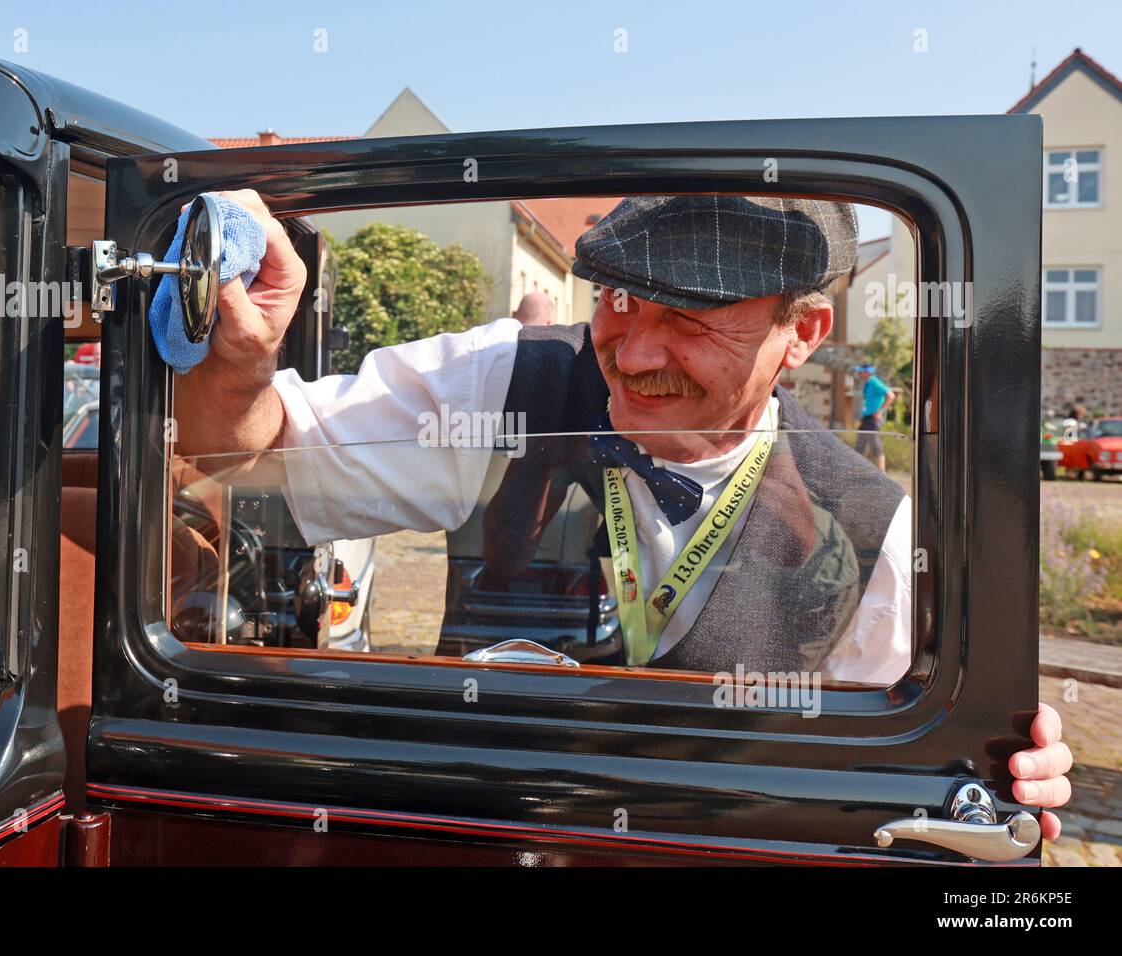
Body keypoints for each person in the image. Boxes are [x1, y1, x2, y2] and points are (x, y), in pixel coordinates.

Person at [173, 189, 1073, 840]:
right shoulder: (505, 377)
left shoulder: (878, 535)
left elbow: (897, 803)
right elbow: (245, 457)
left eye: (693, 316)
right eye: (618, 295)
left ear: (803, 335)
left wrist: (997, 778)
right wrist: (240, 365)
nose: (635, 349)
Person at [853, 364, 894, 471]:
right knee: (860, 446)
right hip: (866, 418)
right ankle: (857, 471)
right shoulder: (868, 383)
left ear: (867, 372)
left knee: (876, 446)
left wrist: (880, 411)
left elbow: (890, 395)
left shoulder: (875, 382)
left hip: (873, 420)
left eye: (861, 371)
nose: (859, 373)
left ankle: (882, 473)